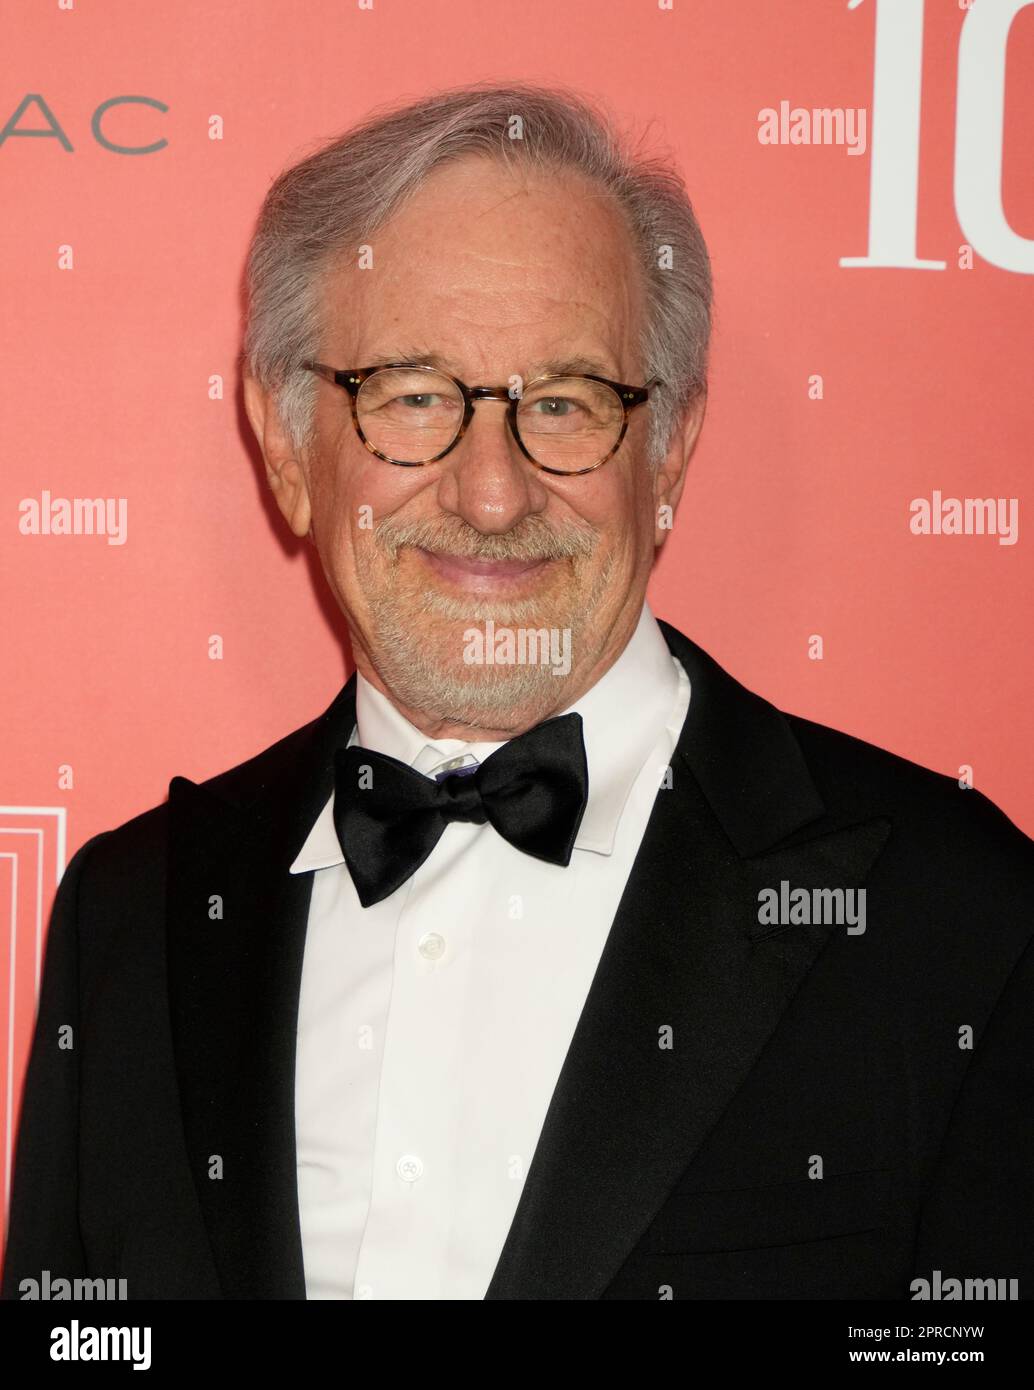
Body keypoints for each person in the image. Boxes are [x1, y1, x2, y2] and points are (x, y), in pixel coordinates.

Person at [3, 83, 1032, 1302]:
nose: (491, 494)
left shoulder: (951, 915)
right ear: (285, 448)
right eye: (413, 396)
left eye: (562, 404)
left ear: (670, 451)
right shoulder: (130, 921)